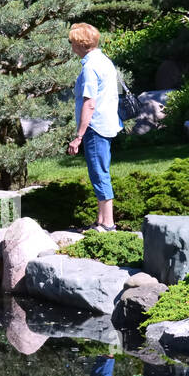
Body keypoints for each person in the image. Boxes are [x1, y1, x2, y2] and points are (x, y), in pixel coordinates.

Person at [66, 22, 121, 233]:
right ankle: (100, 220)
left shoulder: (90, 67)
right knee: (99, 171)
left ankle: (108, 224)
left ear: (80, 44)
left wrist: (78, 136)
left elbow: (89, 103)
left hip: (95, 127)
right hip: (105, 123)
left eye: (72, 42)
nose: (71, 47)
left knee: (99, 173)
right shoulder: (103, 60)